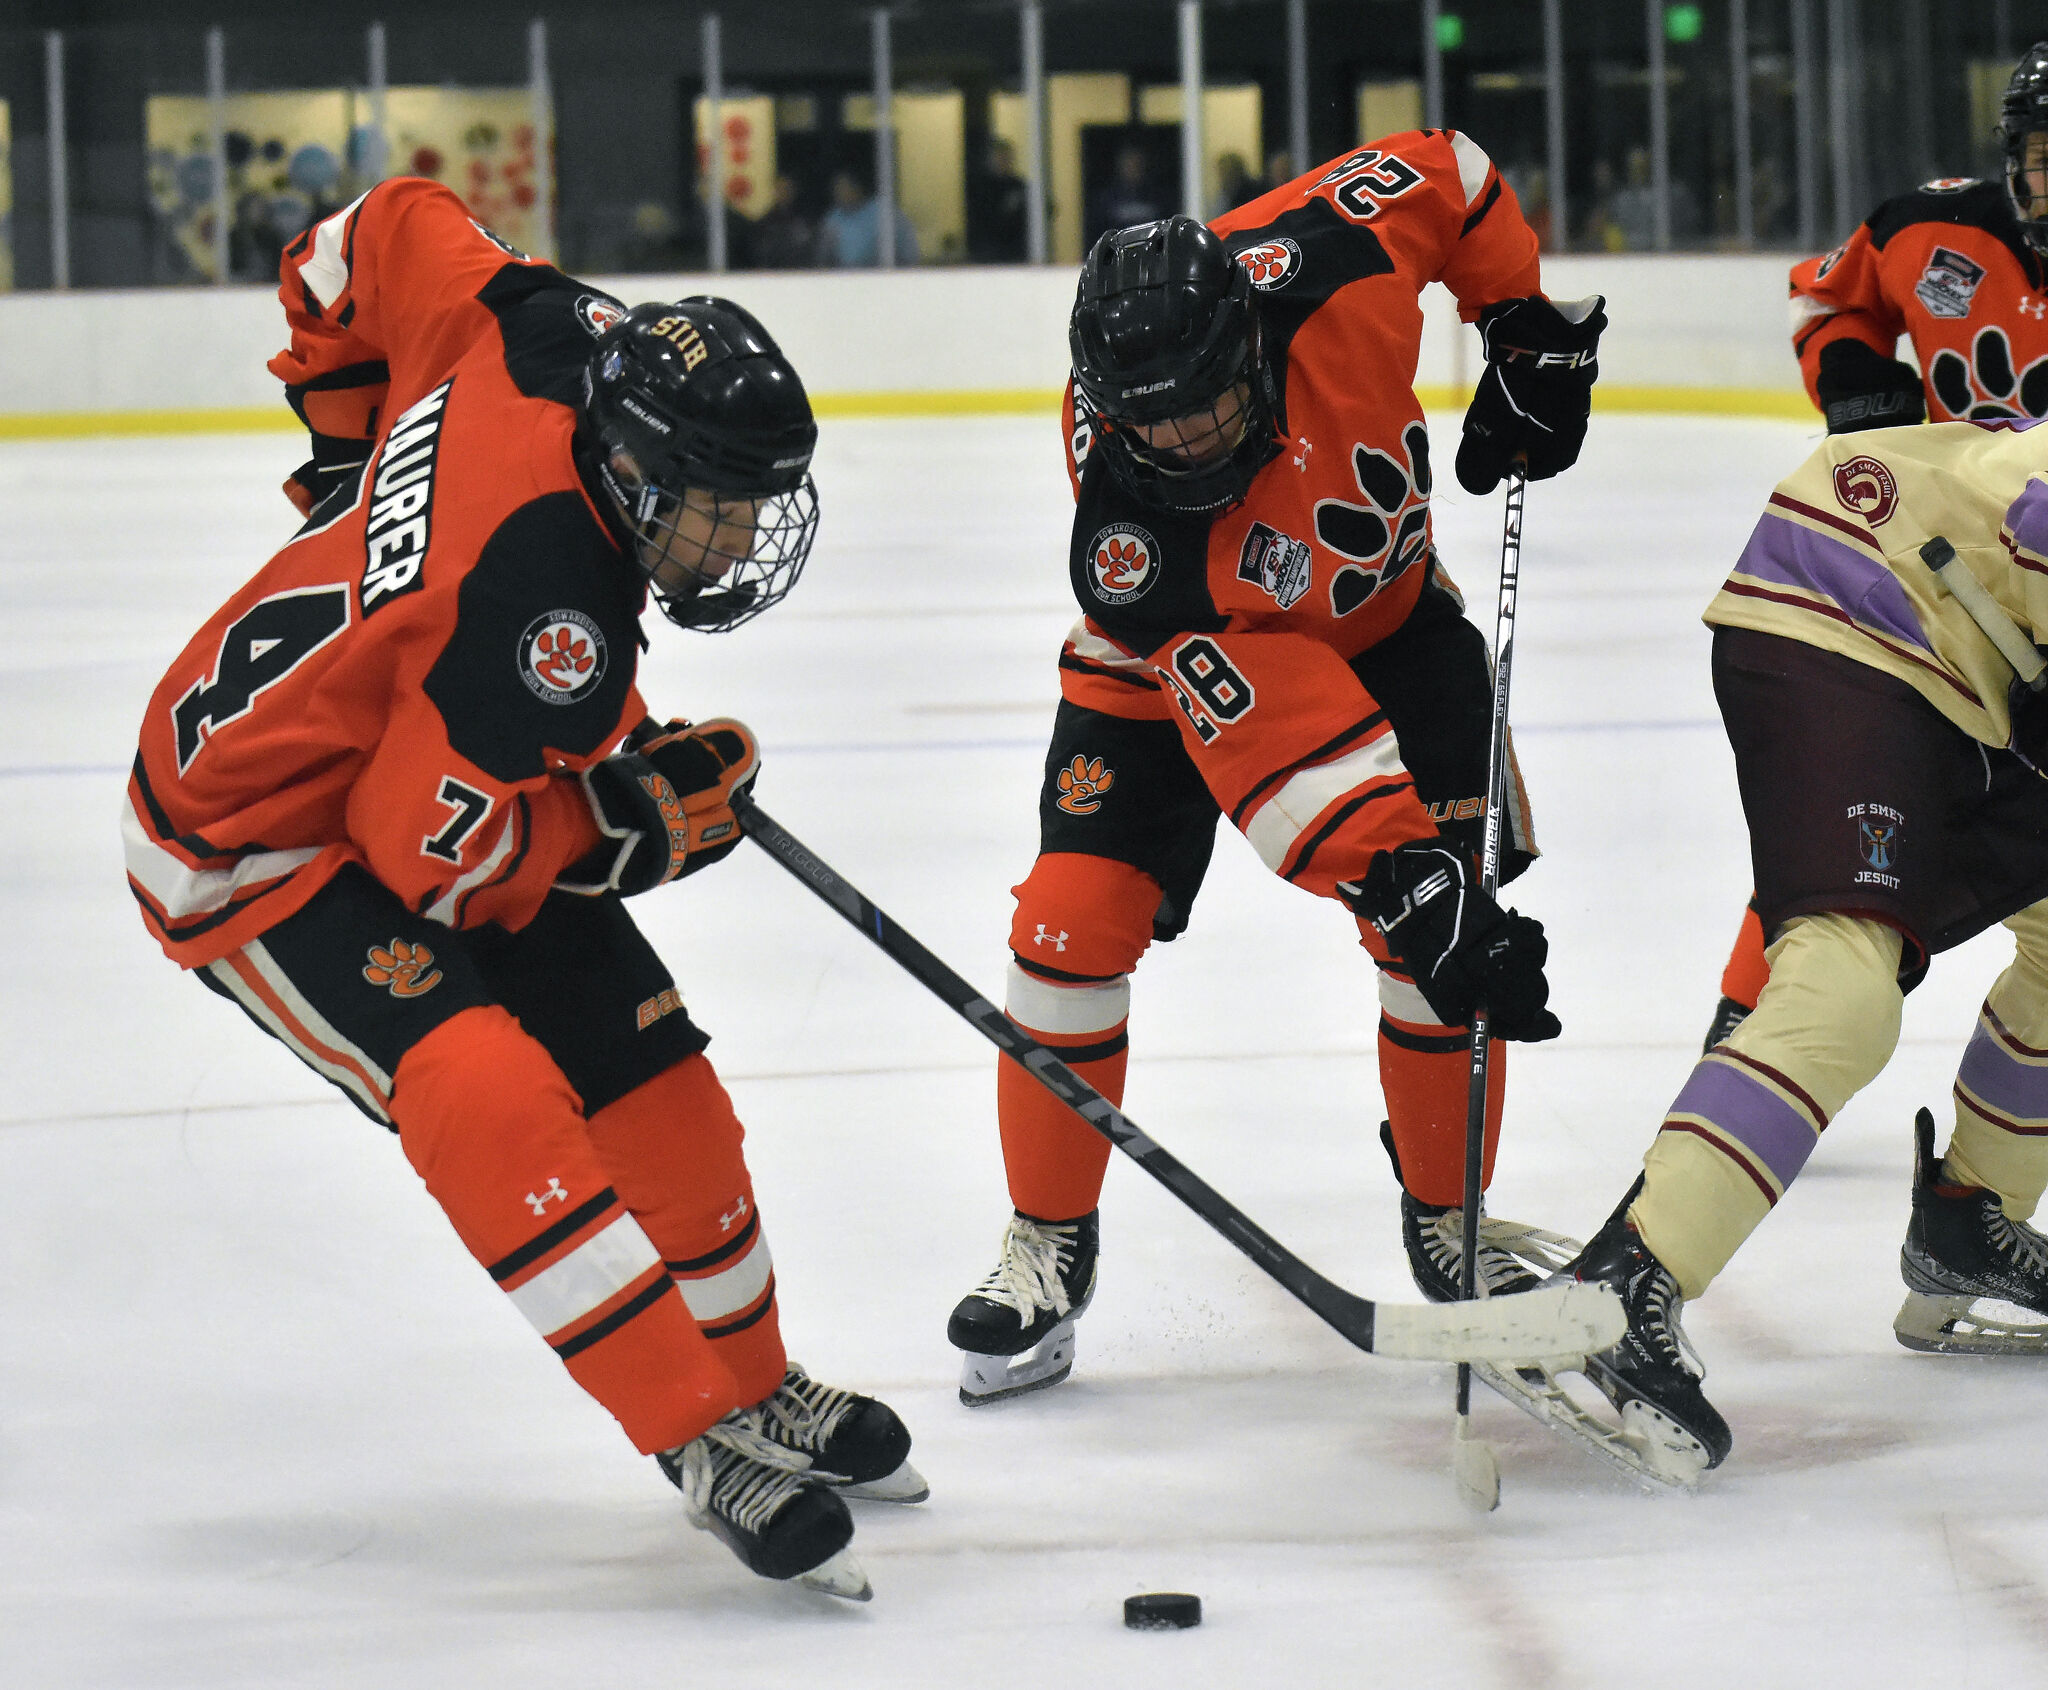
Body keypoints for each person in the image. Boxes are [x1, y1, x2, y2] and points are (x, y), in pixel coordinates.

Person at [122, 177, 924, 1601]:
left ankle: (753, 1380)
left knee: (650, 1064)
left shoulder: (540, 321)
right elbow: (426, 862)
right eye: (716, 514)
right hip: (249, 841)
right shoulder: (541, 621)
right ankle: (696, 1437)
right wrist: (624, 830)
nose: (738, 544)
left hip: (411, 747)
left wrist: (346, 461)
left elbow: (356, 233)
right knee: (483, 1082)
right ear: (632, 475)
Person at [943, 133, 1607, 1404]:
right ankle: (1047, 1237)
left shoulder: (1324, 255)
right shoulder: (1133, 540)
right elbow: (1271, 727)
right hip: (1173, 666)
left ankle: (1446, 1219)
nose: (1186, 436)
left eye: (1206, 398)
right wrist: (1399, 868)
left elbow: (1457, 175)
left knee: (1441, 946)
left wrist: (1517, 319)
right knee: (1067, 923)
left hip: (1397, 626)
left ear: (1246, 331)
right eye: (1154, 420)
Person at [1562, 414, 2048, 1476]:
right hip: (1846, 602)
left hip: (1963, 665)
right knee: (1844, 987)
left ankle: (1970, 1219)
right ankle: (1622, 1283)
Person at [1705, 43, 2048, 1052]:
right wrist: (1855, 380)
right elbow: (1828, 295)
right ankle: (1756, 1010)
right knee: (1848, 811)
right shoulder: (1925, 228)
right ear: (2010, 157)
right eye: (2042, 153)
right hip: (1945, 583)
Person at [816, 167, 919, 267]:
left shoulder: (883, 212)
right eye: (836, 189)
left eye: (843, 187)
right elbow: (823, 255)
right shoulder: (834, 218)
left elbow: (908, 247)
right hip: (846, 277)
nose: (838, 193)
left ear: (857, 187)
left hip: (883, 275)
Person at [1086, 141, 1167, 248]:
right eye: (1129, 164)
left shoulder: (1157, 197)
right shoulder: (1106, 199)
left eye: (1137, 164)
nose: (1133, 169)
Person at [967, 137, 1029, 264]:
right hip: (989, 253)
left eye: (1006, 157)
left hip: (1017, 252)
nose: (1003, 161)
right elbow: (981, 220)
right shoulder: (981, 188)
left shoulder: (1019, 186)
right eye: (999, 157)